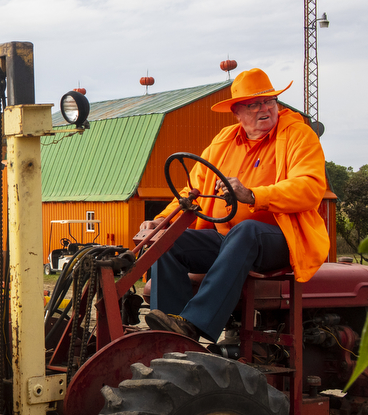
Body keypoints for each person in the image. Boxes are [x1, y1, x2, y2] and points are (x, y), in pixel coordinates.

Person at [141, 67, 329, 341]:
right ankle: (170, 335)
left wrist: (252, 195)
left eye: (269, 101)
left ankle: (194, 323)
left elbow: (309, 188)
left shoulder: (298, 135)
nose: (265, 108)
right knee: (169, 241)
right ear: (237, 112)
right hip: (226, 239)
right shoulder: (224, 141)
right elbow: (192, 190)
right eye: (254, 104)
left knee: (247, 230)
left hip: (281, 238)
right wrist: (163, 220)